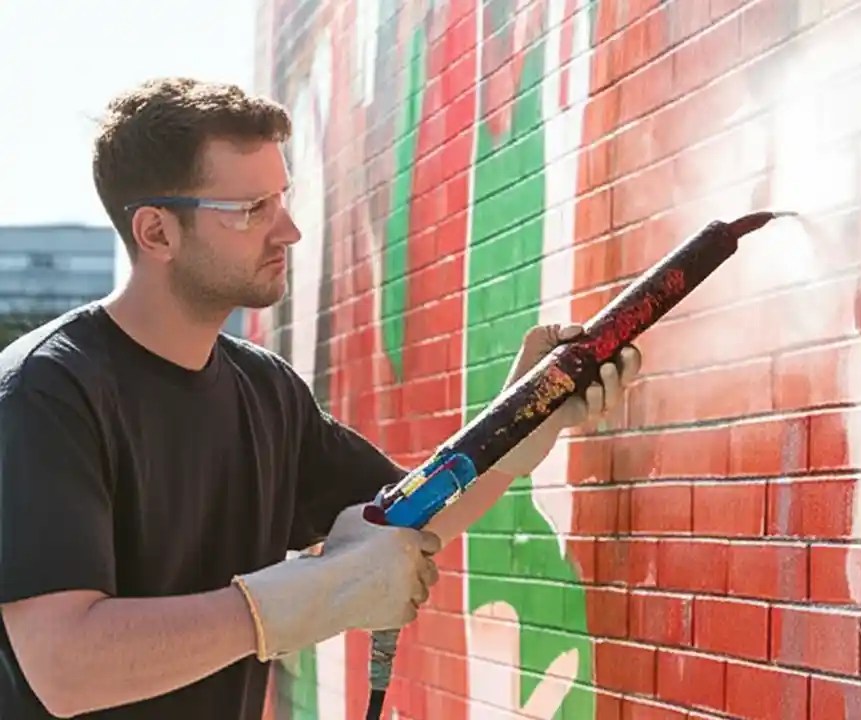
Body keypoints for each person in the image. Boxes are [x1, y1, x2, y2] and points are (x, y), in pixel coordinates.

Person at [0, 77, 640, 720]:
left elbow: (399, 527)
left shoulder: (267, 391)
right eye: (251, 209)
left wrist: (521, 423)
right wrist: (290, 601)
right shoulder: (48, 392)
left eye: (282, 198)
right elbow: (64, 666)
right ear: (157, 233)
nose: (290, 230)